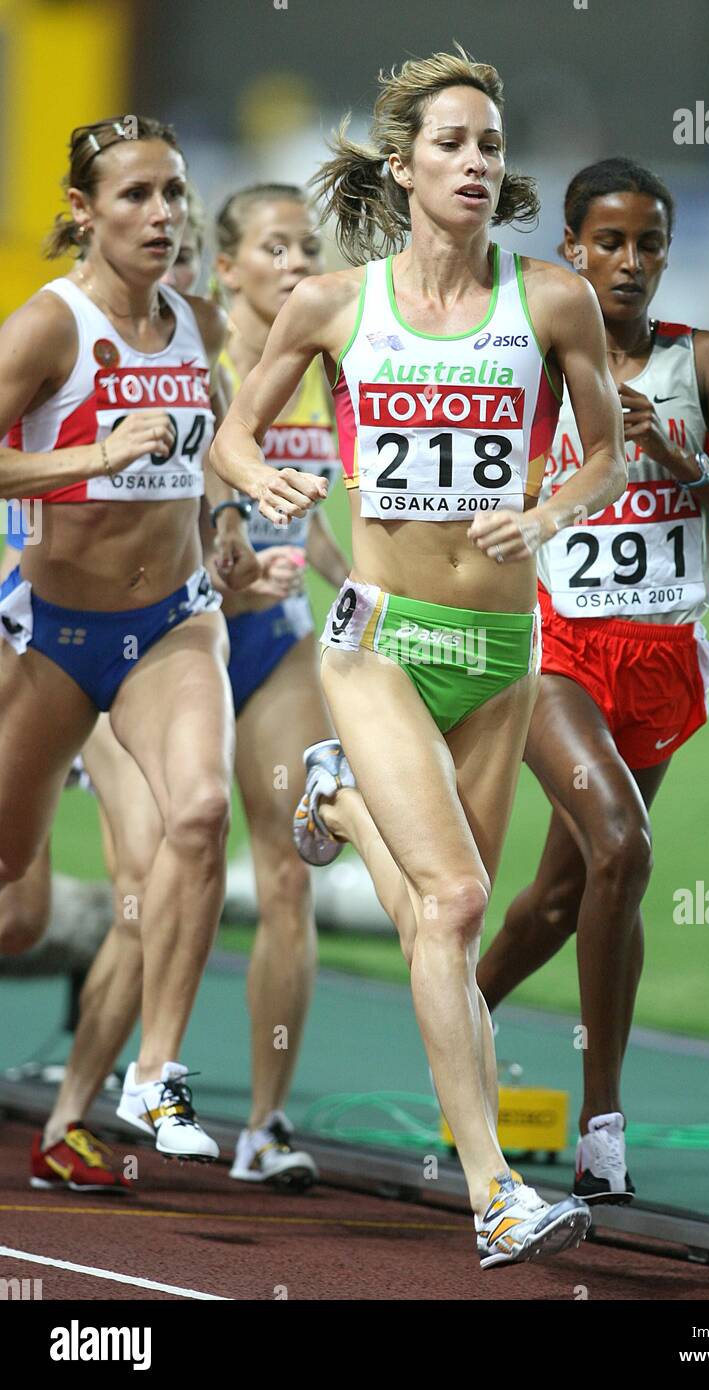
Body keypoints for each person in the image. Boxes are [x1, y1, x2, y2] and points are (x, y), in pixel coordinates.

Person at [211, 49, 627, 1268]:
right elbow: (237, 431)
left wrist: (547, 516)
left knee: (430, 928)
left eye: (490, 145)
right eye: (451, 142)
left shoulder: (550, 300)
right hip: (380, 642)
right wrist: (263, 472)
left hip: (504, 650)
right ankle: (497, 1196)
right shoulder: (337, 305)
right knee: (451, 899)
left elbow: (600, 449)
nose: (476, 161)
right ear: (403, 167)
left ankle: (334, 788)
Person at [473, 158, 709, 1202]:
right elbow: (488, 483)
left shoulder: (705, 361)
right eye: (607, 241)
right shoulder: (538, 358)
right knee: (623, 844)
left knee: (566, 895)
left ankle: (456, 1009)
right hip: (557, 648)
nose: (629, 261)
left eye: (648, 243)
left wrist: (684, 461)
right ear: (571, 248)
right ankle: (603, 1119)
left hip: (662, 657)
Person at [22, 181, 349, 1192]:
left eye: (310, 248)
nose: (299, 266)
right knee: (104, 894)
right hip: (101, 636)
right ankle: (83, 1103)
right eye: (279, 248)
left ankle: (255, 1118)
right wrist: (217, 533)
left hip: (239, 635)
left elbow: (326, 521)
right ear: (230, 266)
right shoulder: (172, 340)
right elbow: (180, 470)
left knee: (281, 862)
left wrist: (347, 589)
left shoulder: (323, 368)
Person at [0, 116, 276, 1164]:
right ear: (82, 210)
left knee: (200, 814)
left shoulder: (197, 321)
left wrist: (234, 522)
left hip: (172, 621)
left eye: (173, 193)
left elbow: (216, 450)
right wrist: (90, 453)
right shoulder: (49, 328)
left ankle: (153, 1073)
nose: (162, 215)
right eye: (134, 197)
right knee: (12, 882)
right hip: (52, 635)